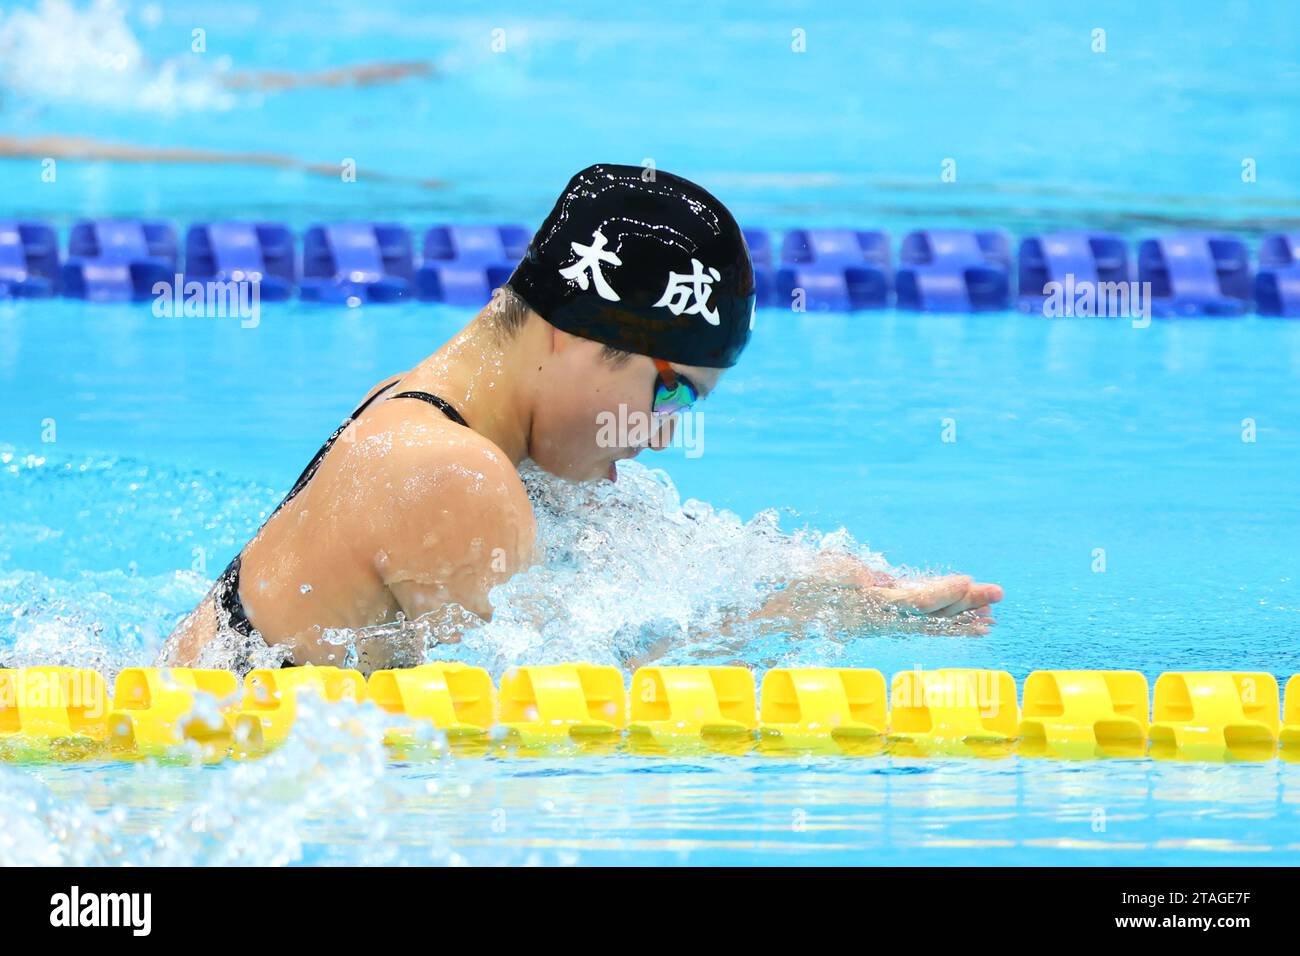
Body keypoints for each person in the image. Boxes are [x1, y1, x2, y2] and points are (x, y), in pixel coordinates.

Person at [161, 163, 1002, 671]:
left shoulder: (414, 410)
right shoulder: (452, 473)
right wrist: (809, 615)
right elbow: (555, 703)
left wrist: (820, 579)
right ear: (579, 334)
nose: (667, 434)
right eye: (671, 392)